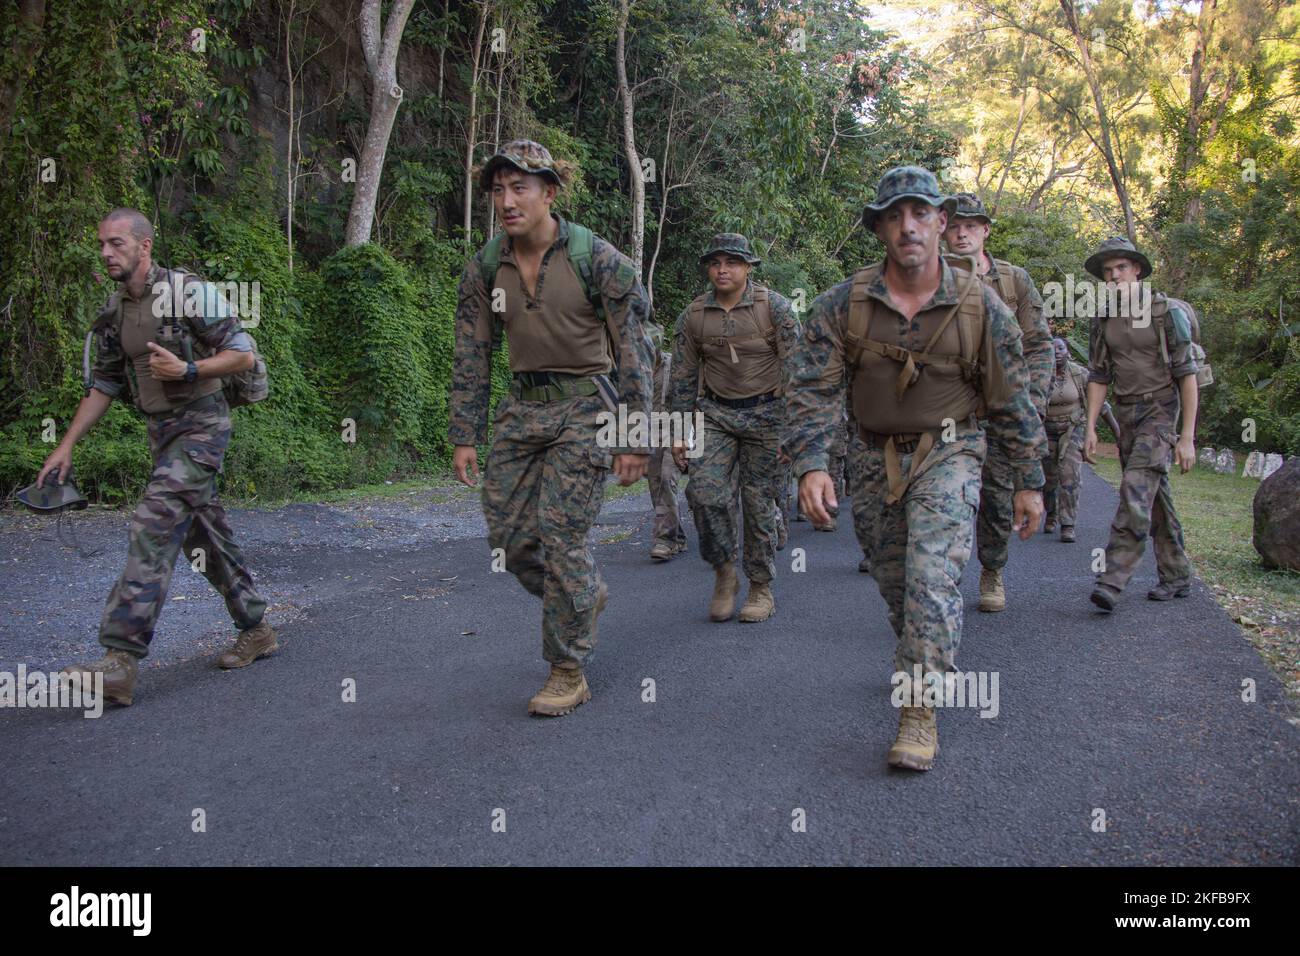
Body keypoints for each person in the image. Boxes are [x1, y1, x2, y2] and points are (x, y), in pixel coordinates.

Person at [786, 167, 1045, 771]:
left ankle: (918, 710)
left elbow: (1012, 399)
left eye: (921, 213)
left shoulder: (981, 306)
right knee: (897, 583)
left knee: (932, 579)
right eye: (895, 216)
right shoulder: (842, 305)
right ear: (879, 228)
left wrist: (1028, 480)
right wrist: (811, 464)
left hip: (952, 449)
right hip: (870, 455)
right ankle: (915, 650)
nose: (908, 227)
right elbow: (812, 389)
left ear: (941, 223)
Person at [449, 139, 654, 716]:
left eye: (520, 188)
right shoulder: (486, 266)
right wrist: (465, 434)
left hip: (586, 407)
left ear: (549, 194)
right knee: (511, 543)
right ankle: (582, 593)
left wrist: (635, 437)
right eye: (498, 190)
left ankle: (567, 669)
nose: (507, 201)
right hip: (521, 409)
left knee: (562, 536)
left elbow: (636, 351)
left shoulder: (599, 259)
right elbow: (472, 352)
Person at [45, 208, 271, 706]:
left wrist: (189, 370)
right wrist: (65, 446)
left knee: (154, 522)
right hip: (161, 435)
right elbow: (104, 383)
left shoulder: (188, 292)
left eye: (117, 243)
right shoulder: (115, 311)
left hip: (203, 426)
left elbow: (242, 354)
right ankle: (256, 627)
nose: (106, 252)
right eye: (102, 244)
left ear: (144, 246)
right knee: (203, 534)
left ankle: (119, 661)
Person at [669, 234, 799, 624]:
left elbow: (797, 370)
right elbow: (681, 378)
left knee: (758, 504)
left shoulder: (774, 308)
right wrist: (677, 432)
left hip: (767, 416)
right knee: (704, 493)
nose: (722, 270)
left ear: (748, 267)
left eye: (732, 262)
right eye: (715, 263)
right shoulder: (694, 315)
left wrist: (795, 428)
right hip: (716, 415)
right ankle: (724, 571)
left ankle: (760, 586)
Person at [942, 193, 1052, 613]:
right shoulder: (928, 278)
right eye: (954, 226)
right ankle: (941, 579)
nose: (962, 233)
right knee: (946, 497)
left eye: (970, 226)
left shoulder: (1014, 281)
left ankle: (992, 570)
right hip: (950, 413)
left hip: (1001, 412)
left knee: (997, 499)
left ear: (985, 230)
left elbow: (1038, 346)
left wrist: (1032, 404)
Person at [1083, 237, 1198, 611]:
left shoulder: (1166, 312)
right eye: (1108, 271)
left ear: (1137, 270)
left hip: (1160, 410)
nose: (1114, 276)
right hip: (1126, 413)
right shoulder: (1103, 319)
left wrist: (1187, 437)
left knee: (1134, 490)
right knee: (1152, 493)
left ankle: (1111, 579)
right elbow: (1099, 375)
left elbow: (1187, 375)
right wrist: (1090, 427)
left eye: (1121, 268)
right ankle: (1176, 574)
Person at [646, 325, 687, 561]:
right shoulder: (634, 370)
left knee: (666, 478)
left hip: (677, 430)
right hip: (648, 431)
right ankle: (677, 536)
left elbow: (690, 397)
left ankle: (665, 540)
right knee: (655, 484)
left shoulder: (675, 366)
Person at [1042, 338, 1089, 542]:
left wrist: (1117, 433)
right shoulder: (1040, 375)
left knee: (1070, 474)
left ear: (1067, 351)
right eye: (1052, 349)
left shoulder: (1080, 374)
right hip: (1046, 430)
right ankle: (1051, 513)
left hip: (1073, 428)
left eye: (1060, 348)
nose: (1057, 352)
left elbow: (1100, 405)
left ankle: (1068, 524)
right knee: (1048, 479)